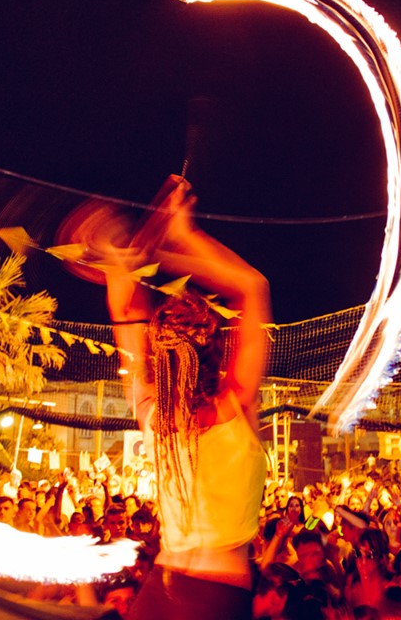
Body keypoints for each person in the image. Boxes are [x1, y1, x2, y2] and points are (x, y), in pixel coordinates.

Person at [92, 176, 270, 620]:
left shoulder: (152, 415)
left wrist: (129, 256)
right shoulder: (236, 406)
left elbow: (126, 312)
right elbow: (252, 288)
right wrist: (182, 238)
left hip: (161, 587)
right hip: (214, 599)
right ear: (214, 352)